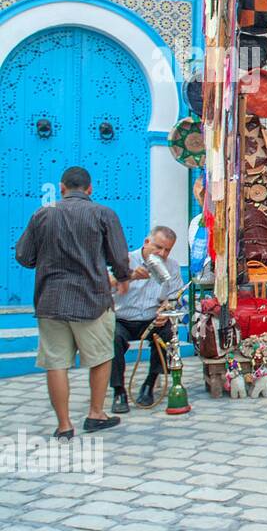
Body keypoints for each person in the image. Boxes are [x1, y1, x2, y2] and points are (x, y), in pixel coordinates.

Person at [15, 166, 131, 439]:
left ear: (62, 187)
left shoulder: (42, 214)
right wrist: (122, 276)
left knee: (56, 363)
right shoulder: (103, 213)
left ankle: (64, 425)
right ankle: (95, 413)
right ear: (89, 189)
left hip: (50, 300)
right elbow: (119, 256)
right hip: (92, 298)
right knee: (101, 357)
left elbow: (23, 256)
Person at [110, 226, 183, 412]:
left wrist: (165, 308)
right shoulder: (125, 260)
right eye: (158, 247)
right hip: (123, 317)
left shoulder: (172, 266)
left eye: (167, 250)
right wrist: (130, 276)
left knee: (167, 332)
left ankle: (149, 384)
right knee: (113, 338)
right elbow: (105, 289)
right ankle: (119, 391)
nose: (162, 253)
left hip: (152, 318)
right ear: (146, 242)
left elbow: (176, 296)